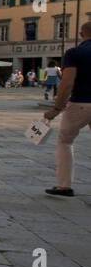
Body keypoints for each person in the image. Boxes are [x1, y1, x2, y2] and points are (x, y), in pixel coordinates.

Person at [44, 21, 91, 197]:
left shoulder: (75, 53)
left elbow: (67, 82)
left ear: (81, 34)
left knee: (65, 141)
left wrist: (57, 108)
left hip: (81, 102)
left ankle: (64, 186)